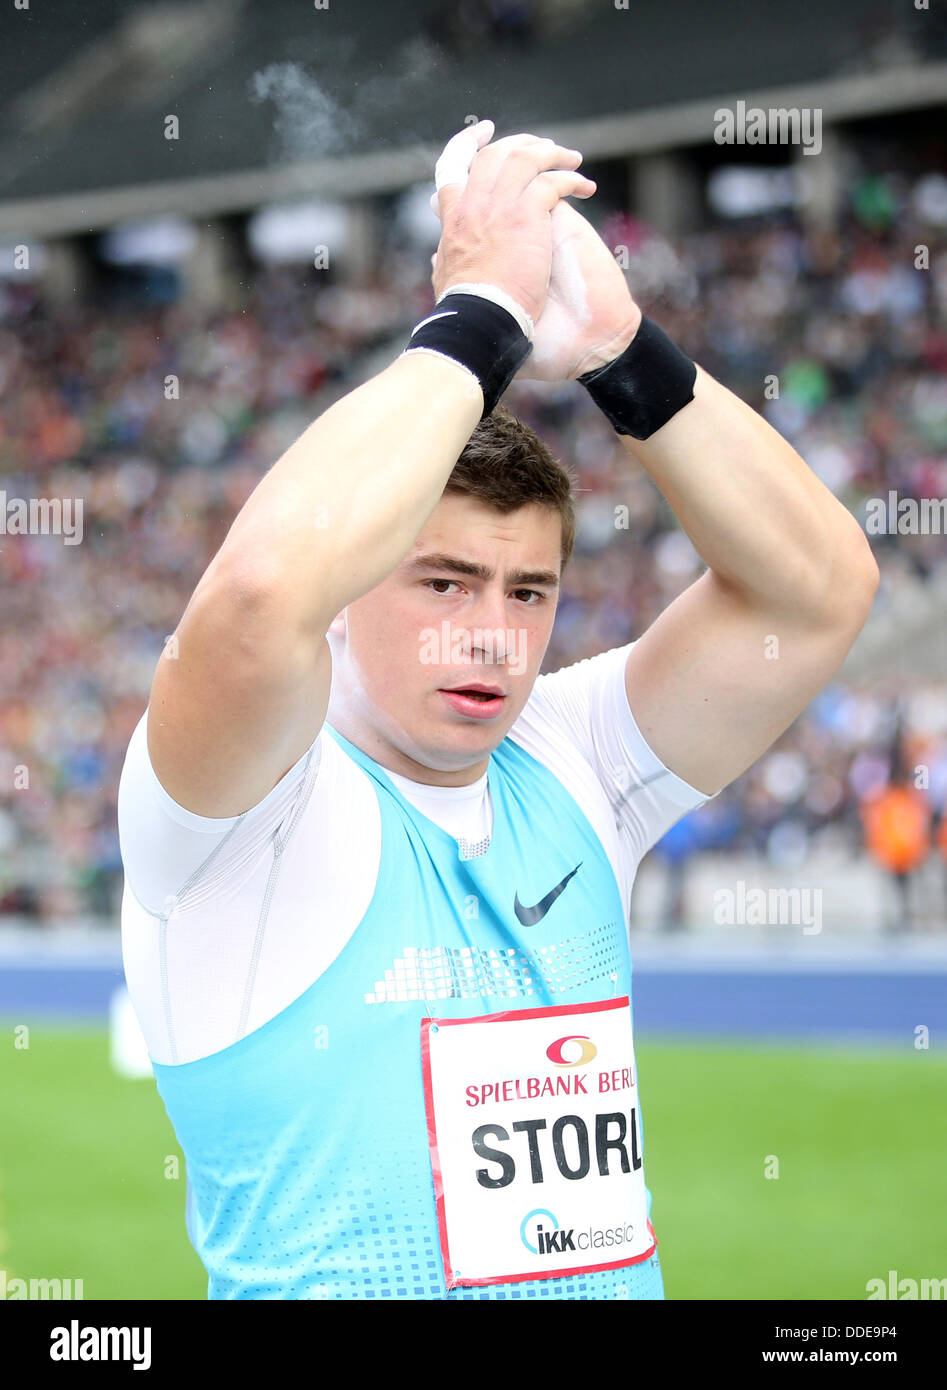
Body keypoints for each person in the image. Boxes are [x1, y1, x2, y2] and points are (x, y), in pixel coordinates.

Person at [117, 120, 879, 1300]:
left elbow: (816, 590)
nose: (491, 632)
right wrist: (476, 313)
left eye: (528, 591)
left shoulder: (569, 757)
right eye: (440, 581)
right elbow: (261, 590)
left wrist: (619, 351)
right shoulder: (242, 816)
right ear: (351, 582)